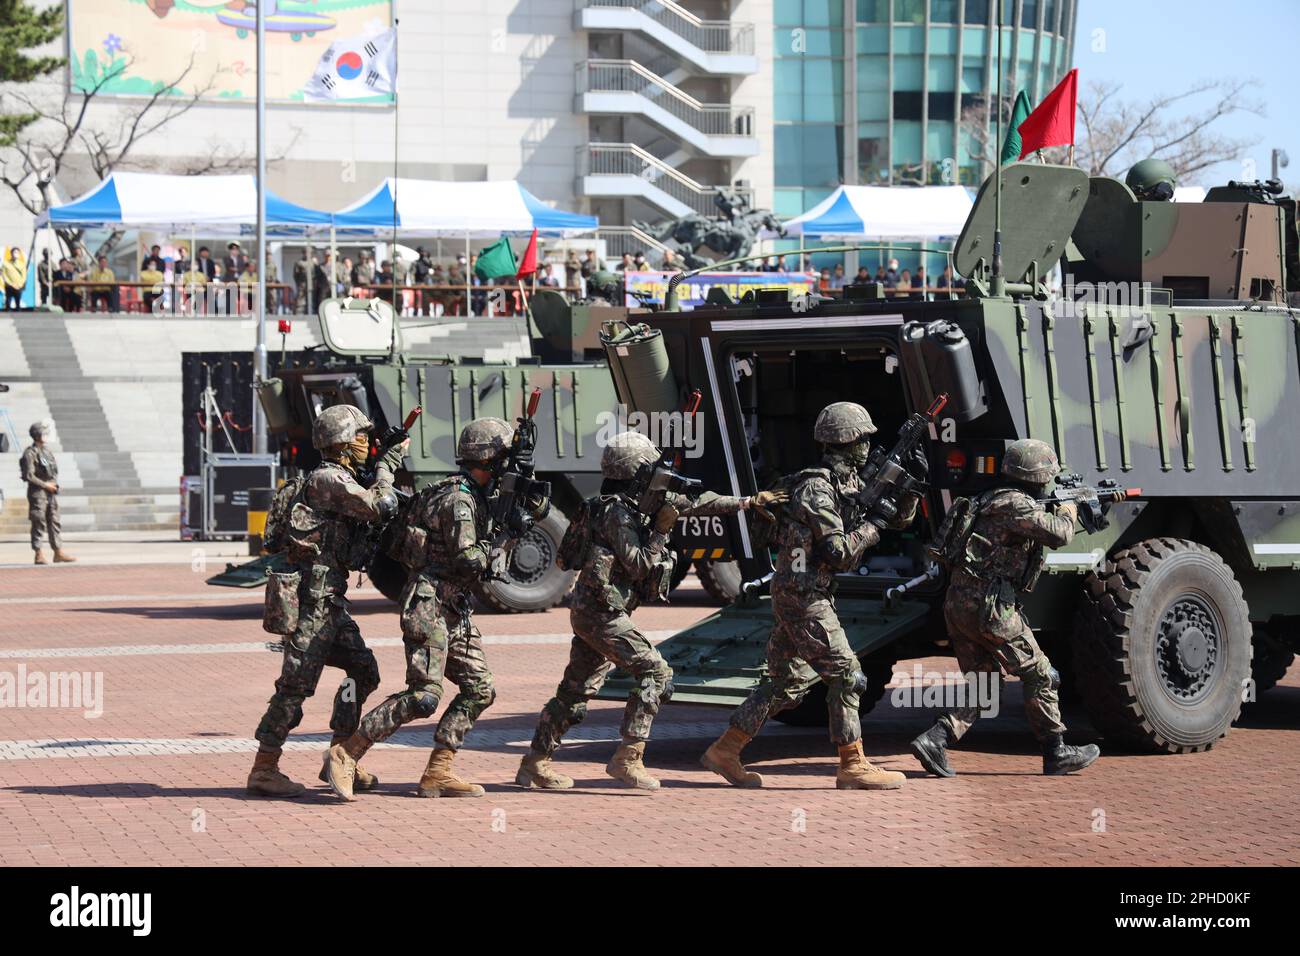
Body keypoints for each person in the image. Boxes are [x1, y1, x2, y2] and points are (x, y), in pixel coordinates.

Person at [516, 431, 785, 791]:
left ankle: (534, 763)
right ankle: (628, 759)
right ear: (636, 473)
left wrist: (747, 502)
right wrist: (661, 530)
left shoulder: (627, 504)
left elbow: (697, 502)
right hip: (601, 615)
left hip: (595, 612)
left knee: (574, 692)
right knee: (656, 673)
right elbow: (641, 564)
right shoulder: (616, 514)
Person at [700, 402, 920, 791]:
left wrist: (907, 489)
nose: (868, 446)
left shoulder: (844, 481)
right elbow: (839, 552)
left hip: (802, 591)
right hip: (804, 595)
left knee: (784, 683)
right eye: (863, 439)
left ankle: (725, 750)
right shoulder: (817, 488)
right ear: (847, 442)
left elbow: (895, 517)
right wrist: (874, 526)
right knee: (849, 676)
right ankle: (853, 765)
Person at [327, 417, 519, 801]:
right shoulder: (460, 500)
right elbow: (469, 561)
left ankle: (438, 772)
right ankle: (346, 753)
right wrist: (503, 535)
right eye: (504, 457)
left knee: (480, 689)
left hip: (454, 607)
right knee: (424, 696)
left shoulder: (474, 494)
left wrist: (512, 520)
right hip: (430, 604)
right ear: (489, 459)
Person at [909, 439, 1101, 778]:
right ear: (1037, 475)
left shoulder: (989, 499)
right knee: (1040, 674)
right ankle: (1056, 752)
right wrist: (1070, 507)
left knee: (986, 685)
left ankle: (935, 739)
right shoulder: (1016, 505)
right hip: (991, 607)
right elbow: (1059, 535)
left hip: (960, 603)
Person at [246, 405, 399, 797]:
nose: (368, 443)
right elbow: (379, 505)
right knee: (296, 687)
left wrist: (378, 464)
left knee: (362, 672)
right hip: (311, 603)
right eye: (361, 437)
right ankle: (265, 767)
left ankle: (340, 756)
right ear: (343, 444)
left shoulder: (338, 476)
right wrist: (388, 466)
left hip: (329, 602)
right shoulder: (329, 479)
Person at [20, 422, 75, 564]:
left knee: (54, 521)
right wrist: (45, 485)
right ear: (36, 435)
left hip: (50, 492)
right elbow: (28, 476)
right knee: (38, 522)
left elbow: (53, 471)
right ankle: (38, 554)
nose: (45, 436)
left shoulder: (47, 451)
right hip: (37, 493)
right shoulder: (29, 453)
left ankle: (58, 552)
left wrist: (54, 485)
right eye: (43, 433)